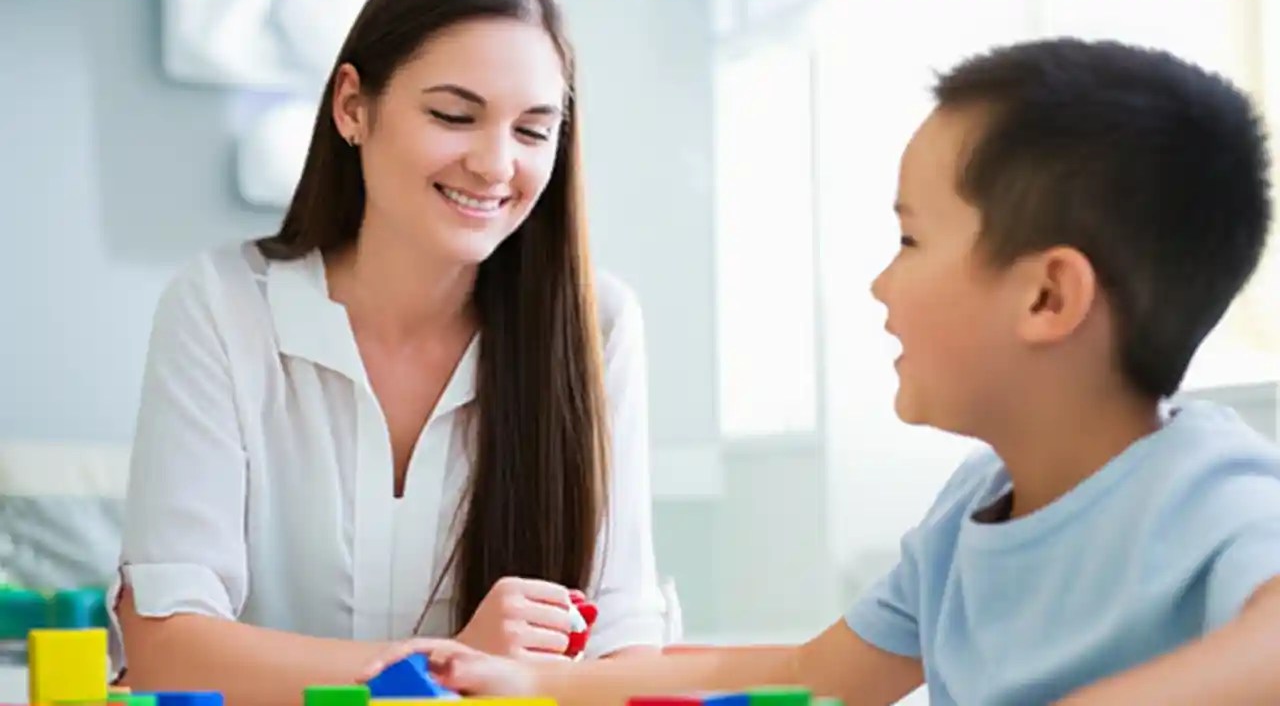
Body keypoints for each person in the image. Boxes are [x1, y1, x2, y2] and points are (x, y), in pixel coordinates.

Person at [368, 38, 1280, 705]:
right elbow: (804, 674)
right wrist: (534, 682)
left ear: (1048, 298)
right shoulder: (971, 514)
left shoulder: (1200, 485)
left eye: (911, 239)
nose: (883, 282)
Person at [111, 0, 667, 701]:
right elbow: (167, 652)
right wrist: (442, 668)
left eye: (532, 131)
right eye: (453, 115)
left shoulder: (599, 329)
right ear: (352, 107)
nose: (496, 165)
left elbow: (625, 652)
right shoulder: (222, 308)